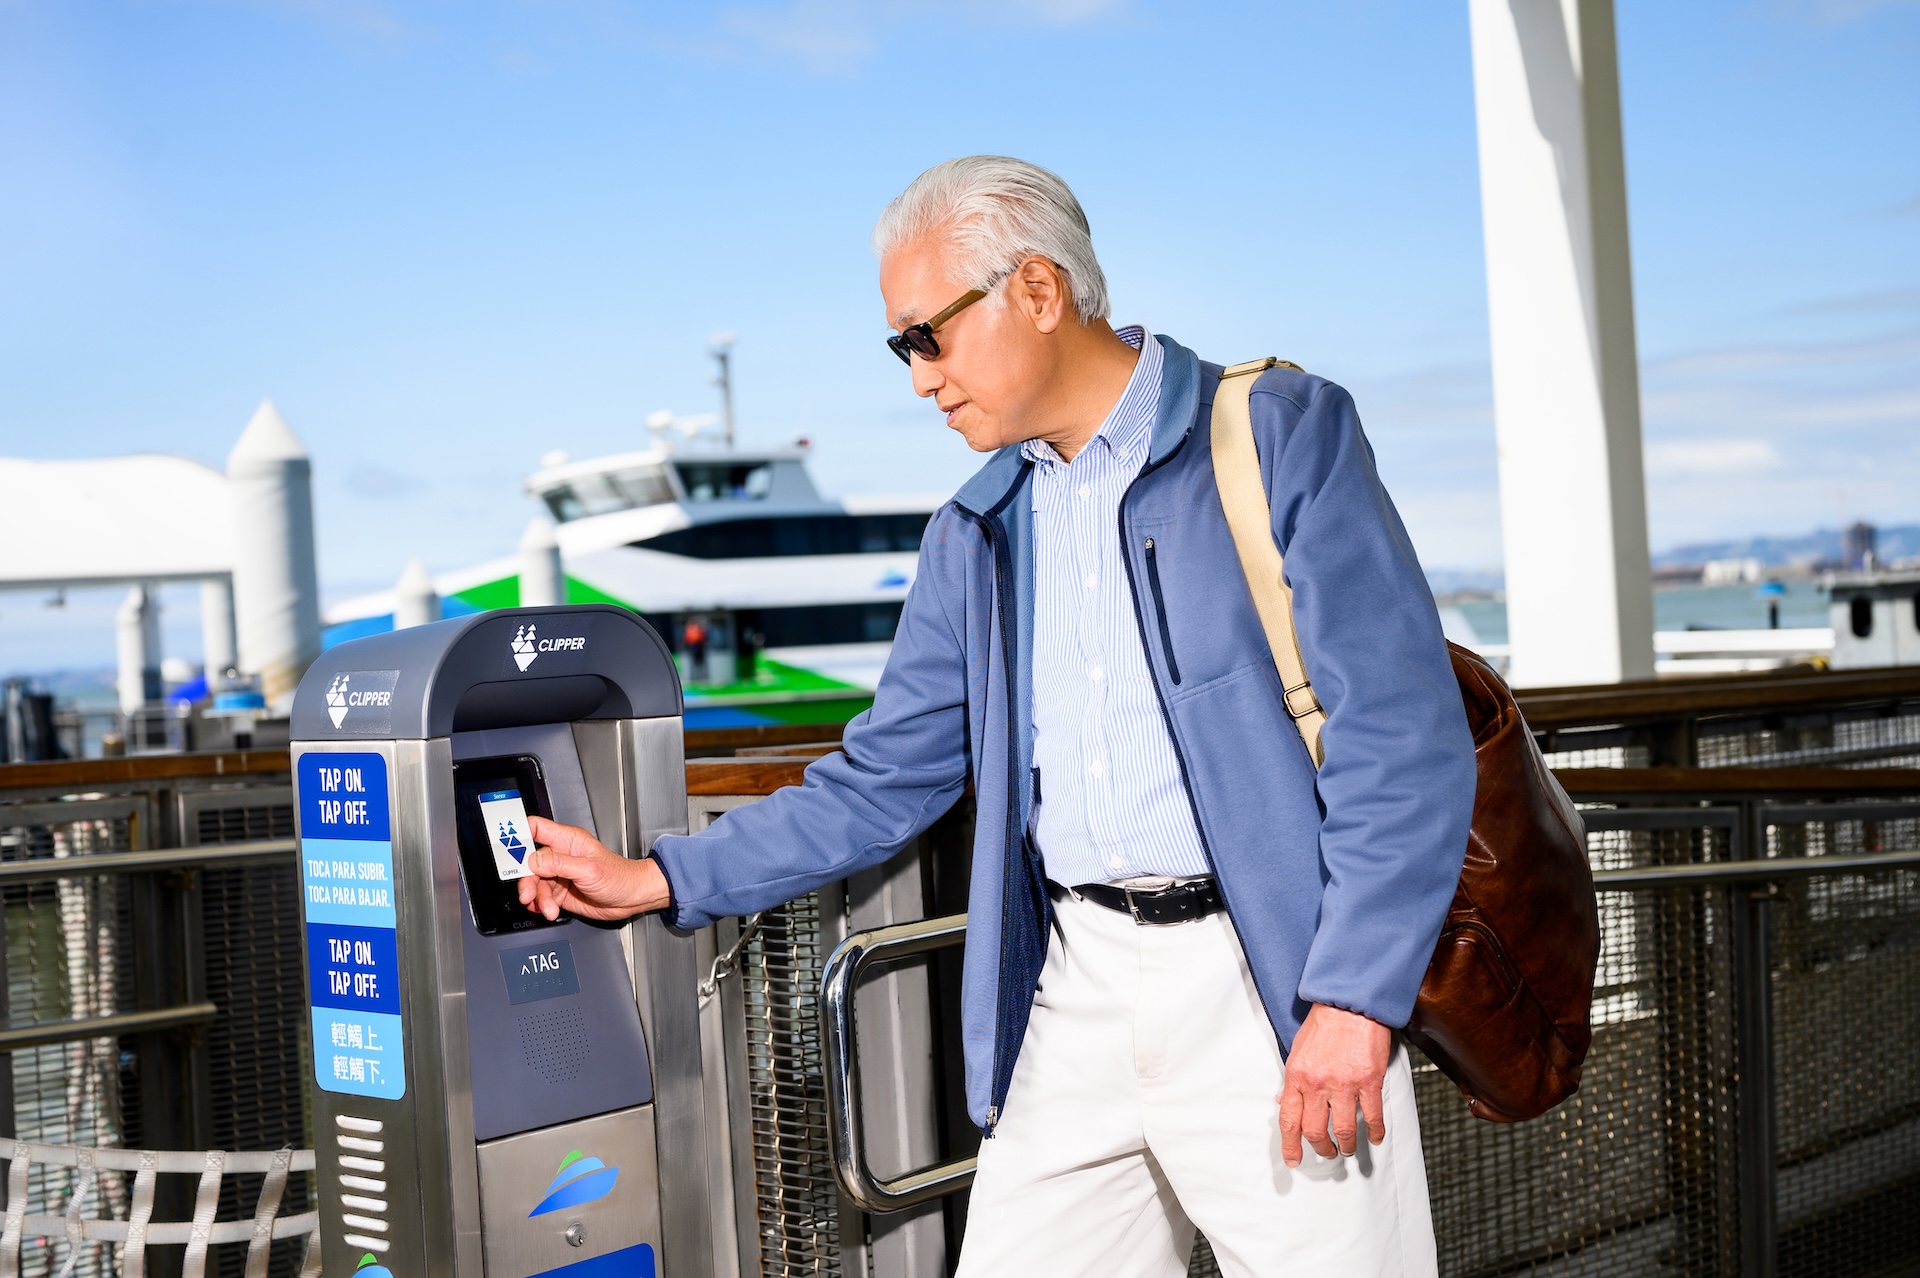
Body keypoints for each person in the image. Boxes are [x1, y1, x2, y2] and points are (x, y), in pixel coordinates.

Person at [518, 155, 1475, 1277]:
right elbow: (884, 779)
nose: (920, 377)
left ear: (1037, 289)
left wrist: (1353, 998)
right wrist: (661, 878)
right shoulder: (974, 531)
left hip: (1274, 991)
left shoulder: (1276, 434)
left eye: (926, 336)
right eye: (902, 349)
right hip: (1074, 993)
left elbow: (1401, 740)